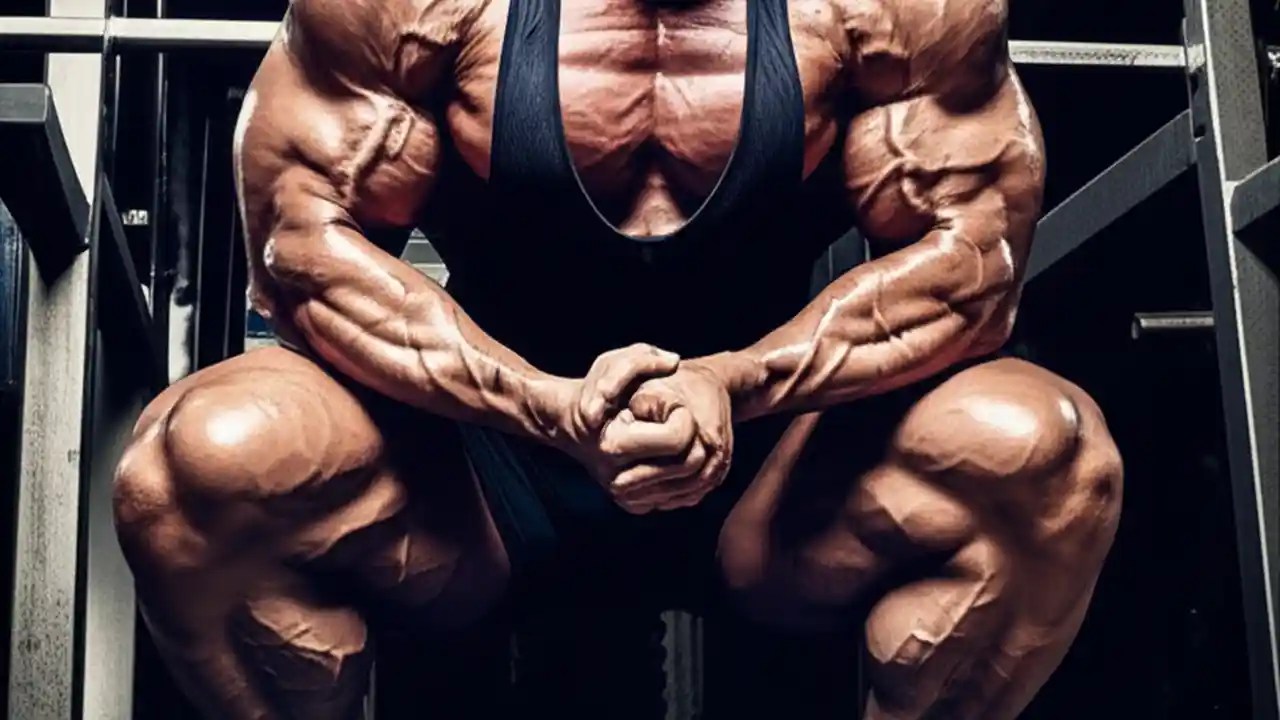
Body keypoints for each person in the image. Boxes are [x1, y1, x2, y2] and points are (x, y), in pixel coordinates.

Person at [111, 0, 1124, 717]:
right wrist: (543, 407)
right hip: (486, 467)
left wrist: (733, 381)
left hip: (771, 463)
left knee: (1047, 456)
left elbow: (973, 264)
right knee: (193, 468)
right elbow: (299, 252)